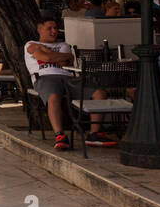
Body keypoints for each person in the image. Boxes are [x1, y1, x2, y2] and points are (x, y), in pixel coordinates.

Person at [25, 15, 113, 151]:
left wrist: (48, 54)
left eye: (55, 28)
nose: (54, 31)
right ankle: (60, 136)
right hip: (45, 77)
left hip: (69, 77)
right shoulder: (29, 44)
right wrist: (54, 56)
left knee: (99, 93)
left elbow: (66, 59)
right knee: (53, 97)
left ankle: (94, 133)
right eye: (49, 28)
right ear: (39, 29)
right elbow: (48, 58)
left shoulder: (63, 45)